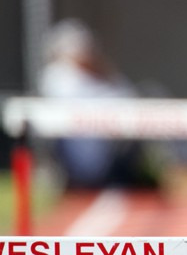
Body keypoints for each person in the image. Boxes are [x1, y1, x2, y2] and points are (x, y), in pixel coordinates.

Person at [37, 19, 161, 190]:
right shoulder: (58, 77)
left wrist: (103, 72)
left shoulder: (102, 76)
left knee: (152, 92)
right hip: (82, 160)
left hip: (110, 152)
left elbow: (126, 94)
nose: (86, 54)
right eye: (80, 50)